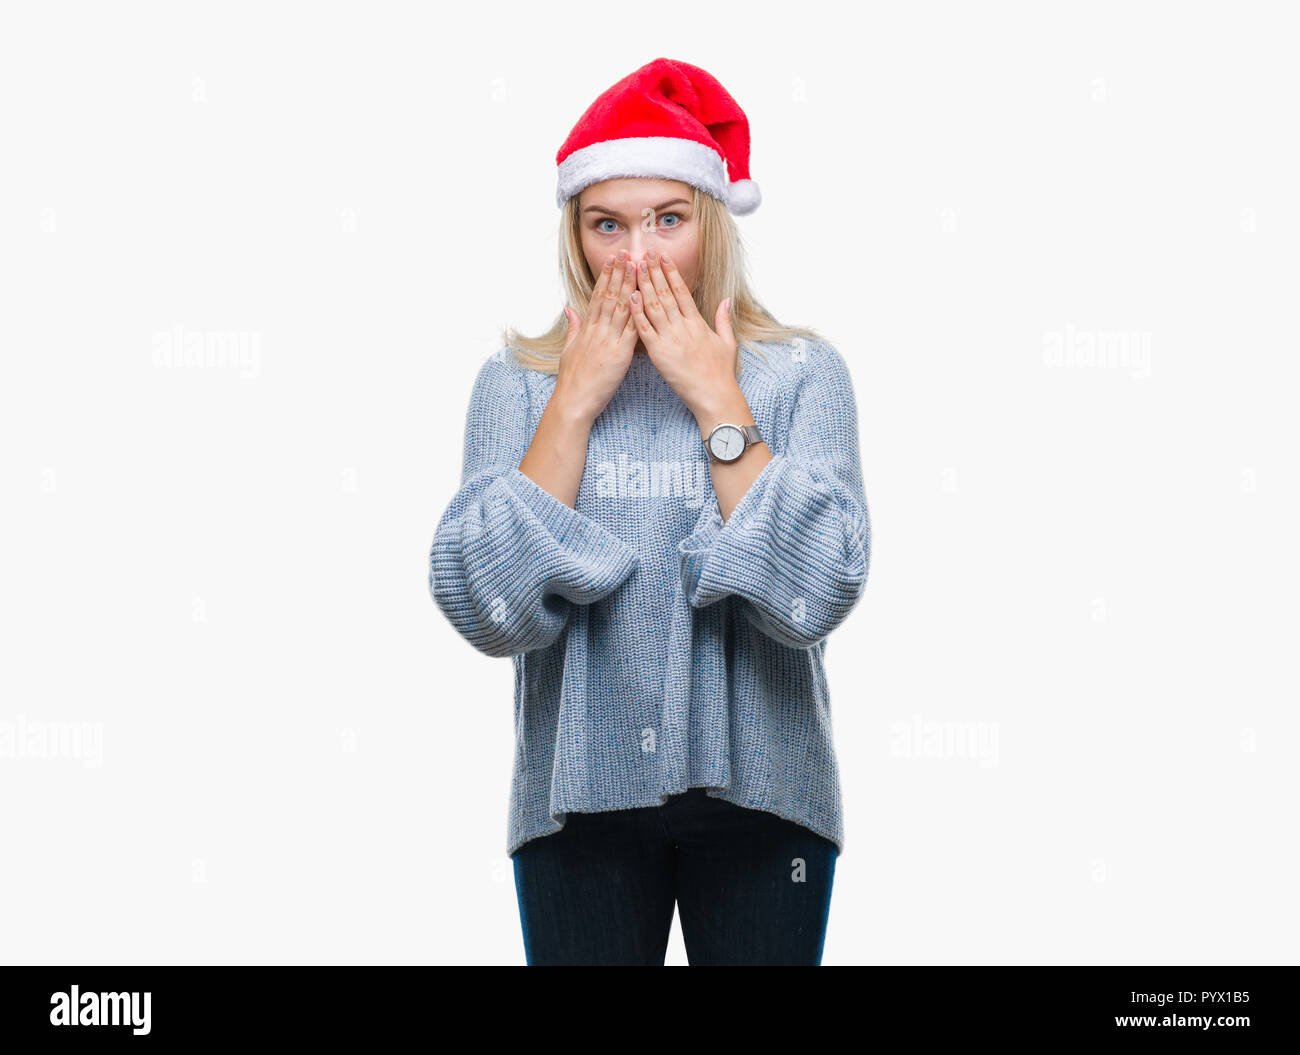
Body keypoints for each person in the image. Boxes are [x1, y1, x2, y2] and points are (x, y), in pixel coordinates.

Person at [428, 58, 872, 965]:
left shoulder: (801, 374)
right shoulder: (518, 384)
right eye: (609, 224)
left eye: (668, 220)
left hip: (767, 800)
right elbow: (485, 605)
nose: (637, 256)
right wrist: (573, 406)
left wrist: (718, 401)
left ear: (710, 225)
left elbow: (820, 591)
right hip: (575, 803)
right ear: (576, 236)